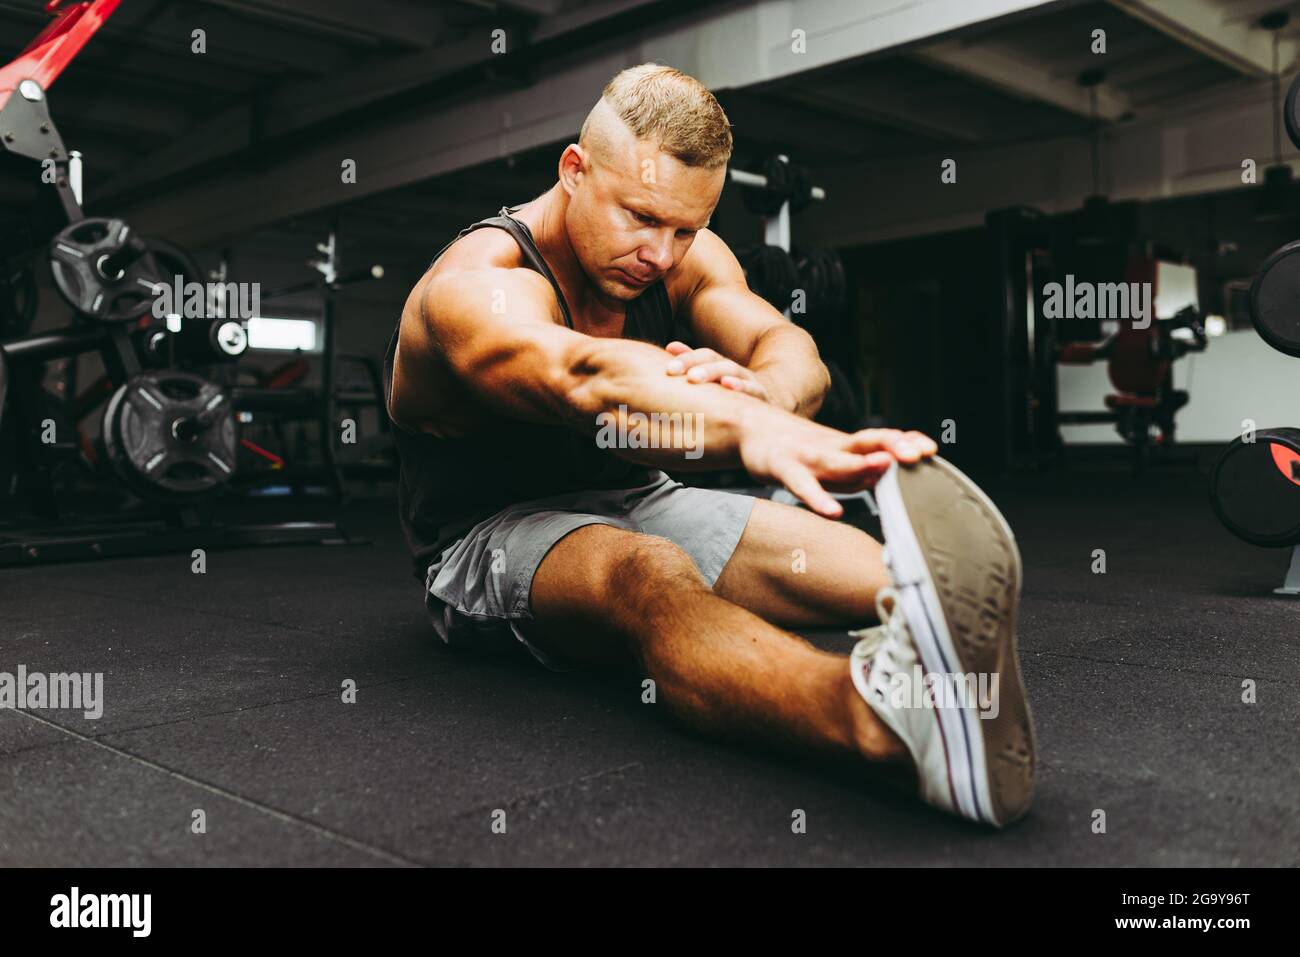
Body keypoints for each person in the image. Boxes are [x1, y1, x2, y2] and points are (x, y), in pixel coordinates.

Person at [383, 63, 1036, 827]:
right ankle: (878, 722)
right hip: (488, 537)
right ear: (574, 170)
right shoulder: (478, 283)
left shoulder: (680, 252)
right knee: (649, 575)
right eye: (640, 216)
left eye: (686, 228)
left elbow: (785, 341)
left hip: (640, 496)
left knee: (893, 571)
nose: (662, 254)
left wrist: (769, 395)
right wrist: (751, 430)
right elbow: (583, 377)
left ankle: (946, 675)